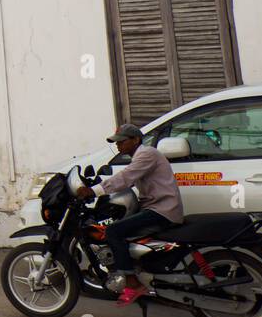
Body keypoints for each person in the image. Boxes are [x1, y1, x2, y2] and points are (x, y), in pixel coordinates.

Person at [75, 122, 184, 305]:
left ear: (135, 139)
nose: (118, 145)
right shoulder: (141, 157)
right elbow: (128, 179)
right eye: (117, 142)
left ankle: (133, 283)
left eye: (122, 141)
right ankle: (138, 269)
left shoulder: (146, 154)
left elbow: (126, 177)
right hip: (156, 207)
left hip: (162, 210)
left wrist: (94, 191)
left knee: (113, 231)